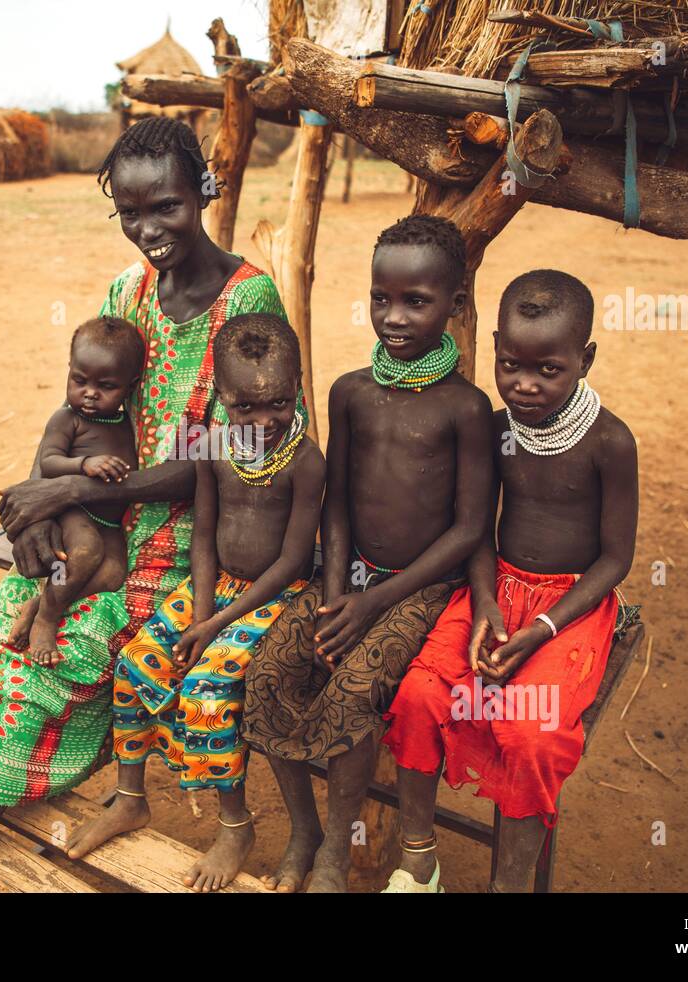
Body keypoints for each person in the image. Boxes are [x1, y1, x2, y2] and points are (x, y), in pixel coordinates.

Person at [0, 116, 303, 893]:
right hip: (93, 539)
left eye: (167, 208)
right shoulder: (128, 294)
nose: (148, 230)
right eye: (130, 213)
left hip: (185, 559)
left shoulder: (246, 301)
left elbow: (231, 457)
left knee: (15, 698)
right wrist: (41, 516)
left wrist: (69, 489)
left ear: (204, 191)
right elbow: (87, 416)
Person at [242, 215, 493, 893]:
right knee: (267, 672)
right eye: (382, 298)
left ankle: (337, 850)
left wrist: (375, 600)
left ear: (455, 305)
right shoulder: (350, 391)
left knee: (355, 695)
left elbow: (470, 529)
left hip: (419, 588)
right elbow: (340, 502)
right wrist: (333, 593)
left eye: (417, 301)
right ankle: (305, 830)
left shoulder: (466, 409)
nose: (395, 316)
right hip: (346, 576)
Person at [381, 268, 638, 894]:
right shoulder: (496, 431)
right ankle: (419, 861)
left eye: (548, 371)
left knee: (533, 731)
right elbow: (478, 530)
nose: (524, 386)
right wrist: (490, 604)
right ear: (494, 346)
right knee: (420, 696)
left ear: (586, 358)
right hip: (494, 589)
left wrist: (542, 628)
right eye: (509, 365)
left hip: (571, 607)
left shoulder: (610, 443)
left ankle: (511, 883)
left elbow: (615, 561)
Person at [66, 312, 322, 891]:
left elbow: (289, 563)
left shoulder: (306, 461)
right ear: (222, 400)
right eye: (244, 408)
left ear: (298, 389)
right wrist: (201, 613)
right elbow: (203, 536)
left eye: (278, 403)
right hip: (212, 590)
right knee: (137, 662)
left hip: (274, 598)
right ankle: (131, 797)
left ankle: (235, 826)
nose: (263, 421)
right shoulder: (211, 447)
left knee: (207, 685)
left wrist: (215, 626)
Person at [6, 316, 142, 666]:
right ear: (69, 370)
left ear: (131, 386)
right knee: (84, 552)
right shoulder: (68, 420)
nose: (90, 393)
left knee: (112, 574)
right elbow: (49, 461)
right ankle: (47, 621)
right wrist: (83, 465)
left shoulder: (128, 421)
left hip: (109, 518)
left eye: (106, 386)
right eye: (79, 380)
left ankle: (42, 602)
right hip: (75, 509)